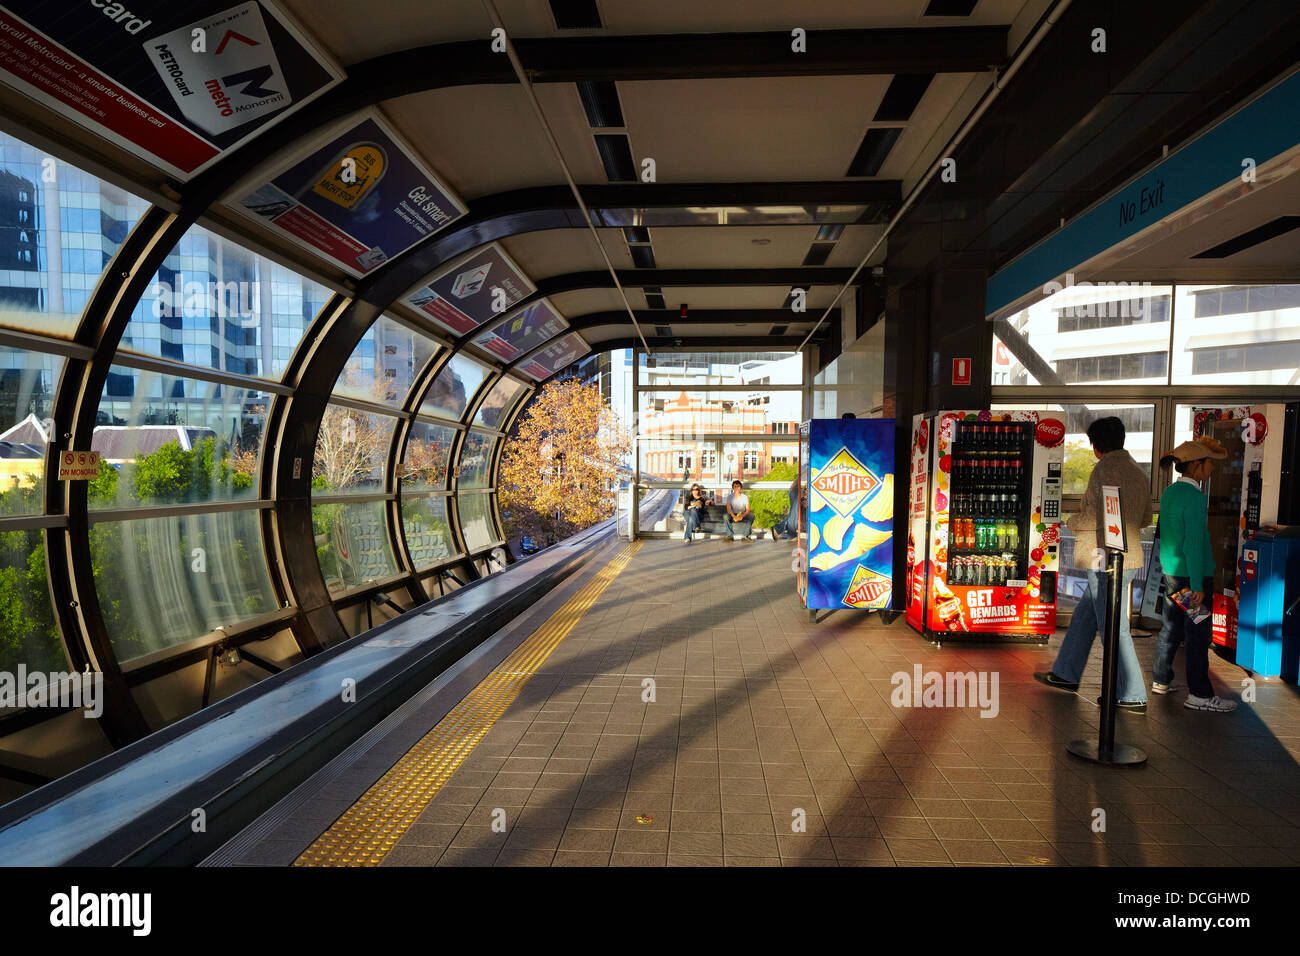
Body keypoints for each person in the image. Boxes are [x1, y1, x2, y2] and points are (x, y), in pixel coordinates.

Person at [1034, 417, 1152, 712]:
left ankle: (1133, 692)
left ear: (1096, 444)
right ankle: (1065, 673)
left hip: (1103, 558)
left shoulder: (1105, 470)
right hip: (1130, 556)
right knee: (1086, 616)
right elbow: (1146, 518)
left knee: (1113, 626)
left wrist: (1069, 521)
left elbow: (1096, 517)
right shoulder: (1138, 472)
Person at [1152, 436, 1237, 712]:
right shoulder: (1196, 498)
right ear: (1197, 466)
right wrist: (1199, 584)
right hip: (1192, 578)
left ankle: (1161, 679)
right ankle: (1200, 694)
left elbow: (1165, 534)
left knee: (1171, 627)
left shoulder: (1170, 493)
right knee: (1198, 634)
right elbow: (1194, 544)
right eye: (1209, 462)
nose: (1212, 467)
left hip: (1173, 574)